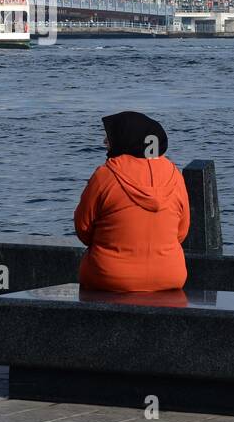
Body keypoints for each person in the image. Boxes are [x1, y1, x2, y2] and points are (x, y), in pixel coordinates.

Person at [74, 112, 190, 293]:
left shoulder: (105, 176)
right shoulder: (175, 175)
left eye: (110, 136)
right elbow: (181, 233)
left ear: (126, 138)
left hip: (110, 277)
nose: (105, 142)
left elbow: (83, 230)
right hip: (170, 275)